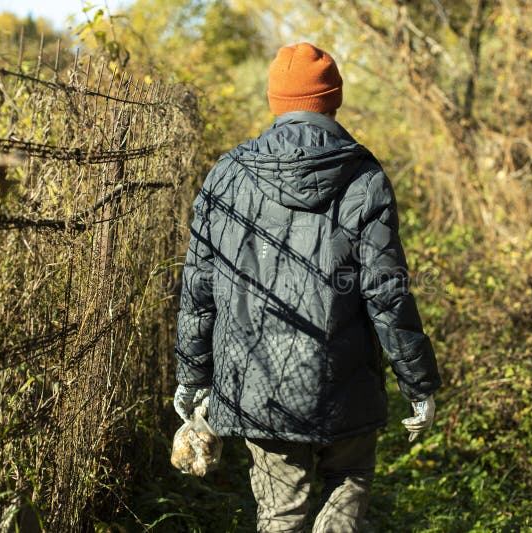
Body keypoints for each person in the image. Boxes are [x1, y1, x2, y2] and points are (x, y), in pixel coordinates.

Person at [173, 42, 442, 533]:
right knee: (349, 479)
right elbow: (387, 292)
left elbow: (199, 291)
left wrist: (192, 377)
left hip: (259, 390)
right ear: (333, 101)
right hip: (347, 381)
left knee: (281, 514)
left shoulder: (226, 178)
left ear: (275, 101)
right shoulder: (364, 177)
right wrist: (417, 382)